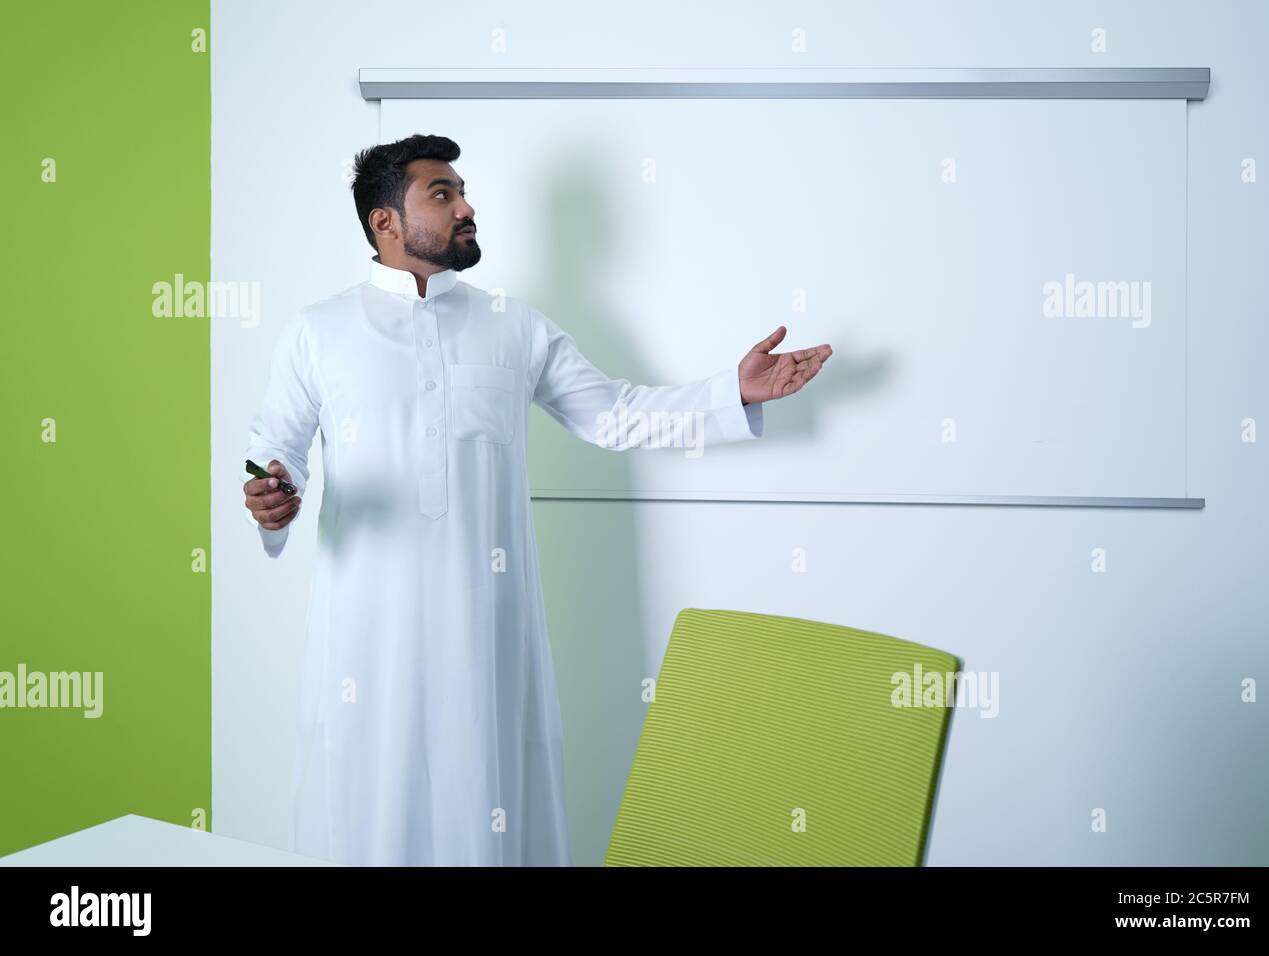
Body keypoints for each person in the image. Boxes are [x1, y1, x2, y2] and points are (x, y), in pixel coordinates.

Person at [241, 133, 833, 865]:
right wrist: (274, 495)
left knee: (485, 807)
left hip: (484, 632)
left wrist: (729, 392)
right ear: (384, 223)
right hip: (368, 641)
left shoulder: (511, 325)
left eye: (462, 191)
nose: (466, 207)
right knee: (367, 810)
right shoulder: (318, 332)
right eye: (442, 194)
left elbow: (614, 413)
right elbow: (279, 451)